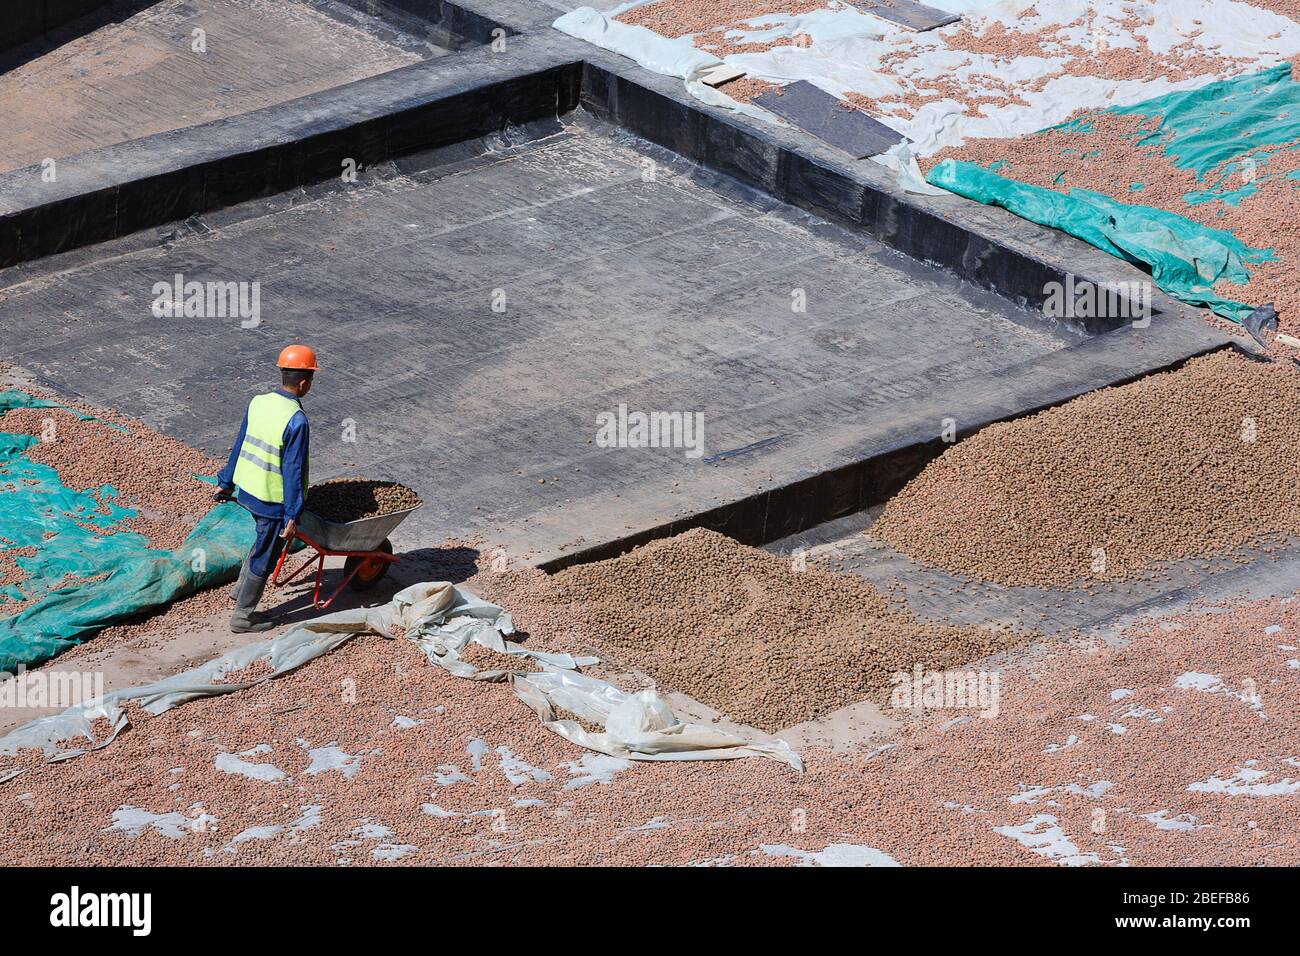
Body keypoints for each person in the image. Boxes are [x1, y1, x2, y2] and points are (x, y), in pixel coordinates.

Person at [214, 345, 317, 632]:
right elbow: (293, 471)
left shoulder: (258, 401)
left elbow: (239, 443)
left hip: (247, 491)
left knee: (260, 543)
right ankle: (243, 617)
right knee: (266, 554)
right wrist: (292, 515)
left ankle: (239, 592)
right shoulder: (297, 420)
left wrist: (225, 482)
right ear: (305, 383)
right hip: (272, 501)